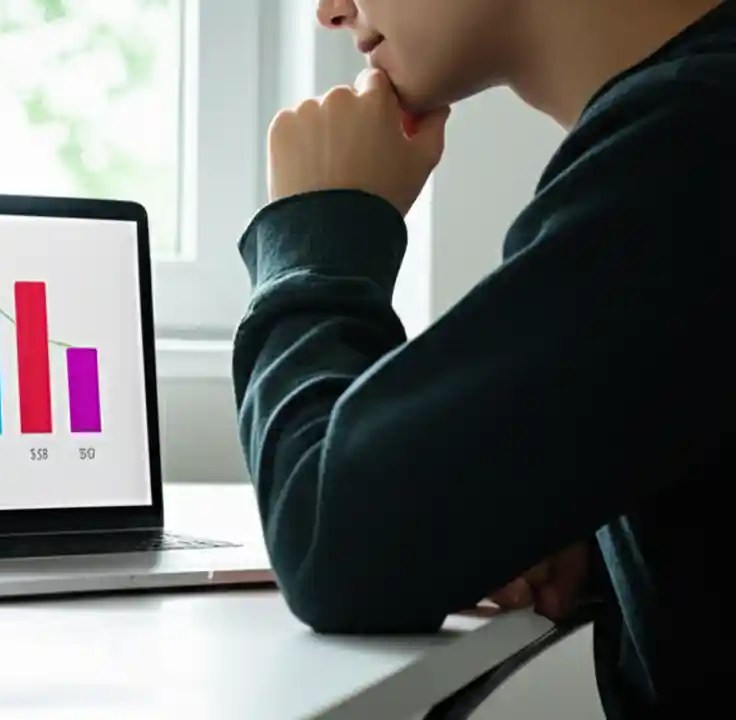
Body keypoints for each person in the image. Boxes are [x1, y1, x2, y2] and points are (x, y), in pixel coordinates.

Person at [232, 0, 732, 716]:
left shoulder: (693, 148)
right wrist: (581, 519)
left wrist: (314, 240)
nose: (329, 10)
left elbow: (333, 545)